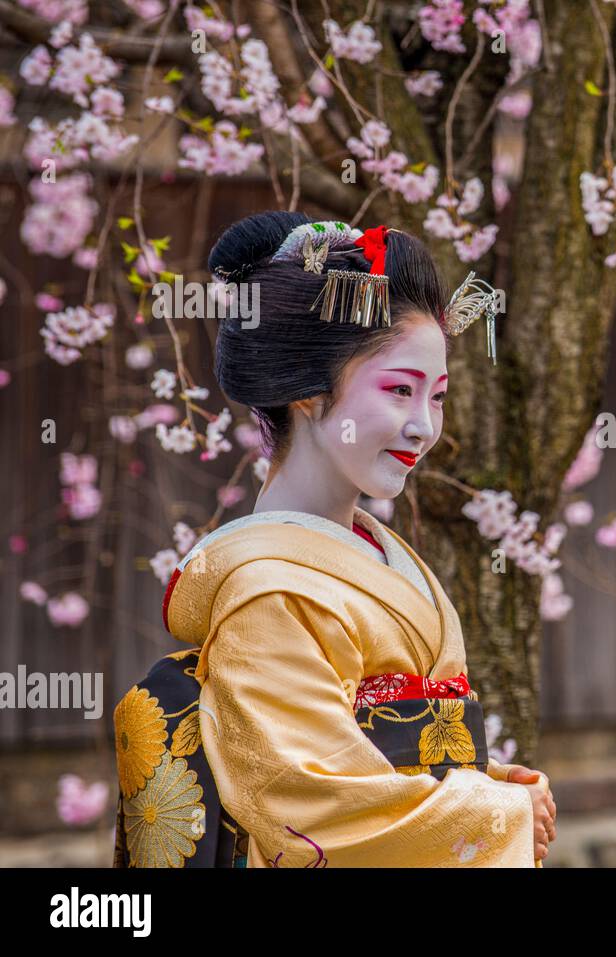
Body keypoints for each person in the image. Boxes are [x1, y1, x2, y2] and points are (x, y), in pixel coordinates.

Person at [111, 211, 555, 867]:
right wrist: (494, 818)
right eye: (399, 390)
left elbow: (402, 762)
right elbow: (311, 806)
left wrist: (490, 790)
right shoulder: (267, 590)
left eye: (436, 395)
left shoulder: (375, 553)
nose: (423, 426)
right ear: (309, 395)